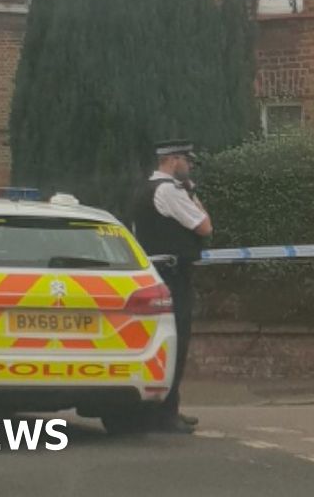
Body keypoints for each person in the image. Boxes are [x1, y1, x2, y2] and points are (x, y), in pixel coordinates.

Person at [132, 140, 212, 434]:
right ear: (173, 160)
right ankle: (166, 414)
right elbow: (204, 226)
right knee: (177, 342)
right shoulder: (170, 191)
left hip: (156, 274)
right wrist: (192, 192)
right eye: (186, 161)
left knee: (165, 341)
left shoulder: (146, 189)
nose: (189, 167)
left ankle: (164, 408)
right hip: (173, 277)